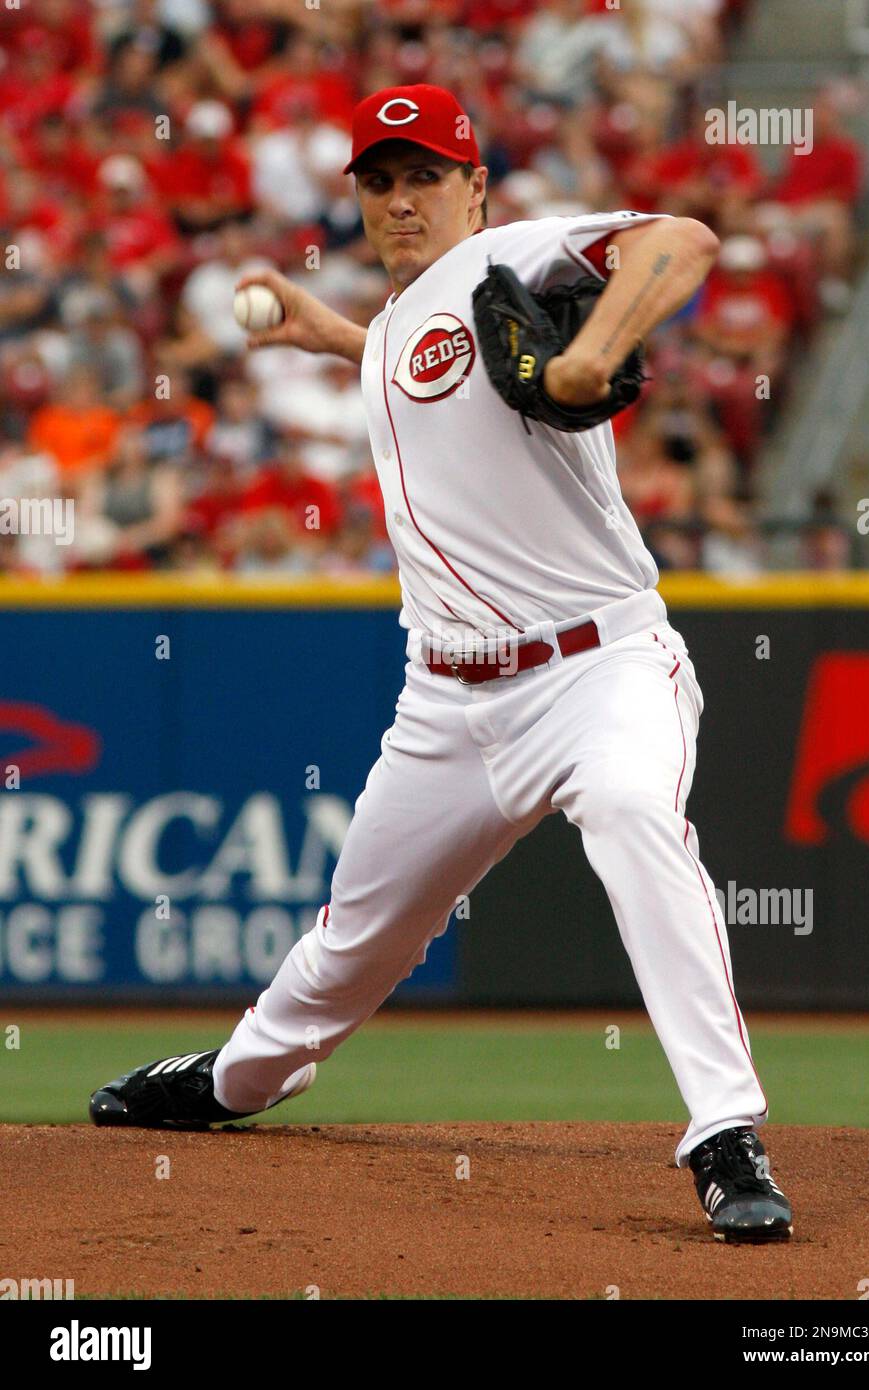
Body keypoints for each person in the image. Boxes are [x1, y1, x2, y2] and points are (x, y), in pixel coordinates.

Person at [89, 83, 793, 1245]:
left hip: (597, 671)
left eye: (426, 175)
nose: (401, 198)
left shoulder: (516, 252)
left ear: (475, 185)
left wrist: (591, 357)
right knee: (355, 937)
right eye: (379, 180)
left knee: (629, 811)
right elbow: (419, 374)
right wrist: (322, 329)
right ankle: (240, 1080)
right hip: (448, 705)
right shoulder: (407, 330)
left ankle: (724, 1133)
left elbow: (683, 242)